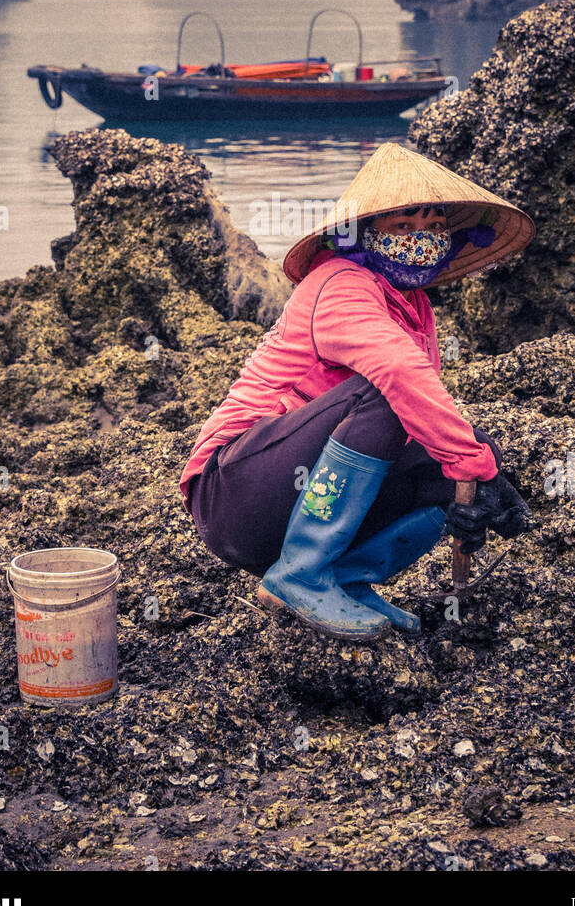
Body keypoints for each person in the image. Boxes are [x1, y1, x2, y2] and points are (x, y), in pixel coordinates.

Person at [180, 142, 536, 641]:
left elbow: (419, 424)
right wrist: (469, 460)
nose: (423, 239)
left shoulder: (413, 307)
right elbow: (399, 373)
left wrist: (481, 483)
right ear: (366, 235)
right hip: (233, 492)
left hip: (298, 497)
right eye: (403, 226)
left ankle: (344, 576)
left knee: (455, 459)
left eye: (434, 228)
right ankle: (301, 570)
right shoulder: (341, 282)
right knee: (399, 402)